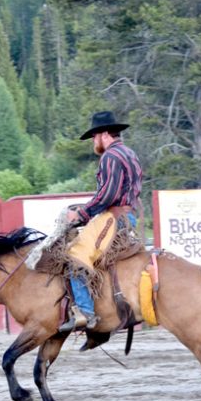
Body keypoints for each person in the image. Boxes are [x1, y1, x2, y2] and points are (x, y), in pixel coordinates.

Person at [60, 111, 143, 332]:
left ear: (104, 134)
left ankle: (84, 312)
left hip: (113, 218)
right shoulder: (130, 153)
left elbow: (107, 195)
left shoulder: (110, 156)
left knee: (74, 254)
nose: (93, 142)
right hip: (128, 216)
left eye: (94, 137)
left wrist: (81, 214)